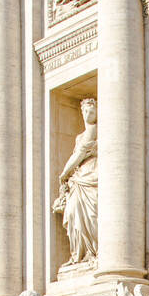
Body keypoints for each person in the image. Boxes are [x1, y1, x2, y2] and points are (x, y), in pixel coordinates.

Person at [53, 97, 98, 266]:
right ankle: (79, 254)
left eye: (92, 111)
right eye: (86, 111)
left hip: (91, 174)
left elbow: (80, 154)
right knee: (72, 212)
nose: (88, 114)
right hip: (79, 178)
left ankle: (93, 251)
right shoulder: (79, 136)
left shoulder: (94, 130)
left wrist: (64, 173)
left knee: (91, 214)